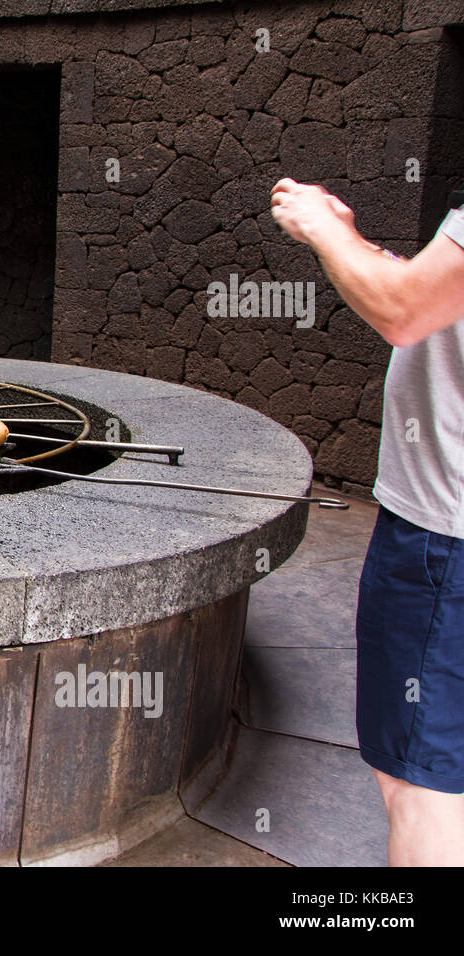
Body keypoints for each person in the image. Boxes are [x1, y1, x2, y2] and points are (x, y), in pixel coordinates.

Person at [272, 177, 464, 865]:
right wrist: (364, 250)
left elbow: (405, 310)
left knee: (423, 780)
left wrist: (324, 227)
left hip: (447, 541)